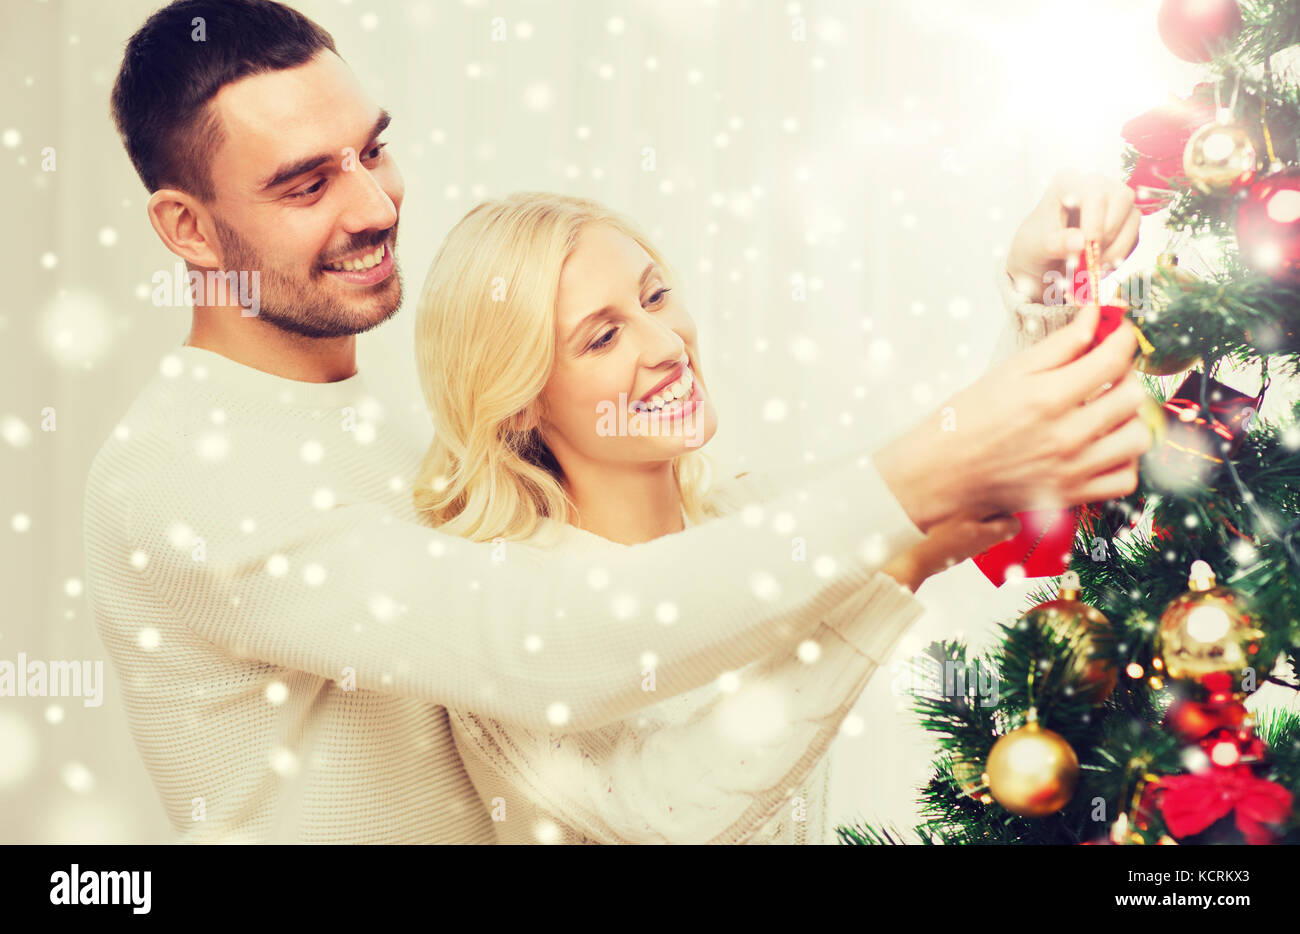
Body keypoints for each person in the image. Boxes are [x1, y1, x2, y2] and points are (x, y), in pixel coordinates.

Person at [84, 0, 1149, 843]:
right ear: (186, 225)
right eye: (305, 183)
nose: (371, 207)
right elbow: (547, 647)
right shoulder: (186, 474)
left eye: (372, 150)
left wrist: (1047, 298)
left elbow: (686, 576)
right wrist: (902, 504)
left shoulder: (400, 429)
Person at [417, 192, 1039, 844]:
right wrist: (896, 572)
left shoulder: (750, 523)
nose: (666, 346)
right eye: (603, 336)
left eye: (655, 297)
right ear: (517, 401)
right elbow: (669, 813)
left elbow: (953, 457)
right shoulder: (505, 620)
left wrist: (1043, 289)